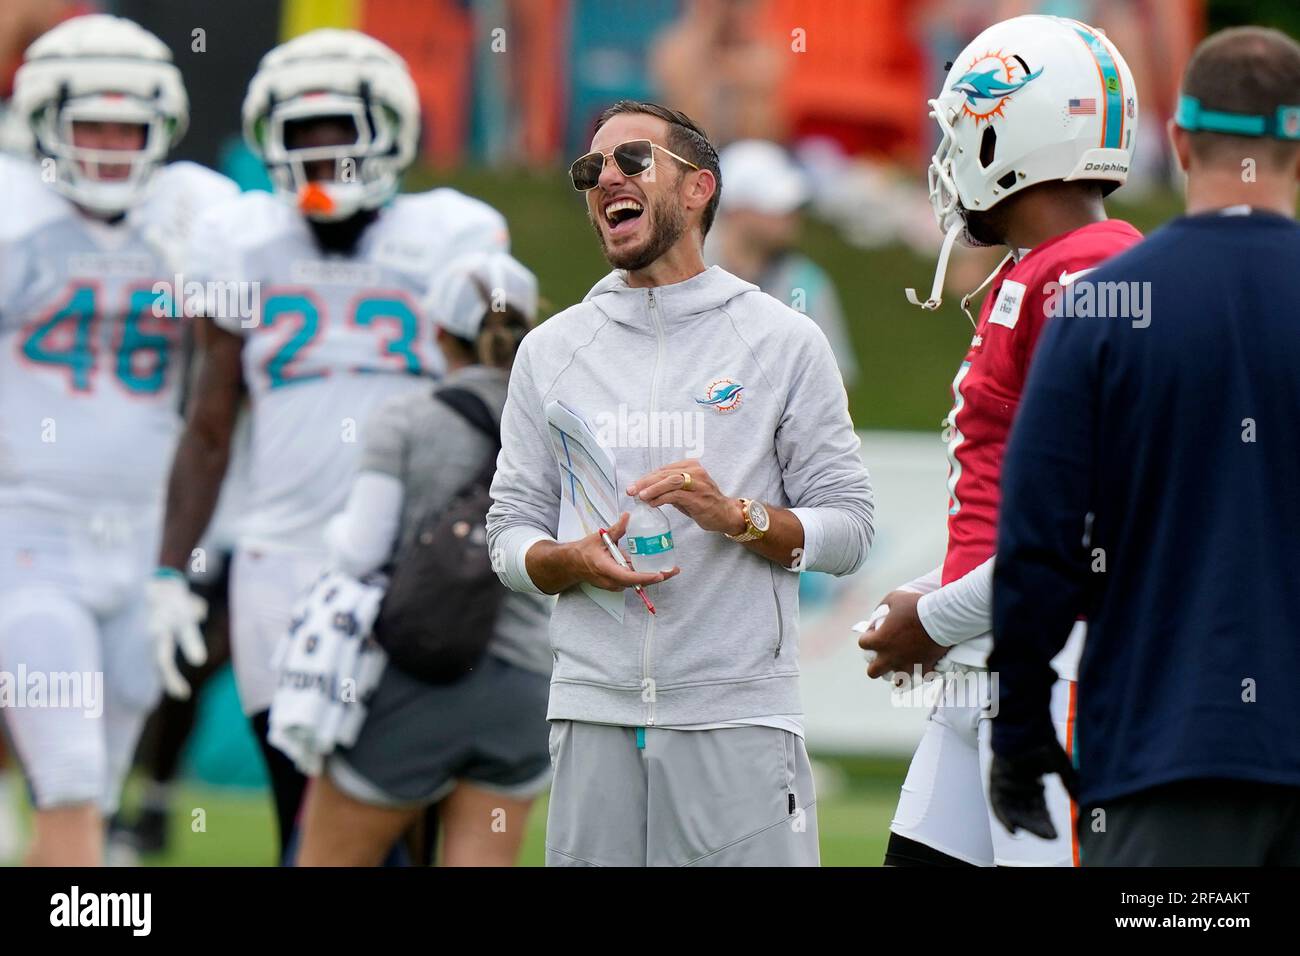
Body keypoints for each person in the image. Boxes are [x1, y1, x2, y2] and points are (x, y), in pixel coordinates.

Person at [149, 28, 509, 865]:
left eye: (337, 129)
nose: (321, 151)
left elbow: (503, 400)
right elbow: (209, 424)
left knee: (408, 819)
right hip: (282, 565)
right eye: (301, 133)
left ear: (387, 128)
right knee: (304, 822)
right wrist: (171, 570)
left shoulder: (451, 234)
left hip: (417, 564)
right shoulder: (243, 241)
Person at [487, 100, 874, 867]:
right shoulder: (550, 351)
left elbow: (851, 530)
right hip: (592, 717)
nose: (605, 181)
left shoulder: (784, 340)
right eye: (590, 170)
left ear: (698, 189)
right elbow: (508, 534)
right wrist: (565, 561)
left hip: (737, 720)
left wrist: (737, 517)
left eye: (632, 161)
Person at [989, 25, 1300, 866]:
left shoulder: (1101, 307)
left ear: (1180, 139)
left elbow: (1037, 541)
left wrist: (1018, 726)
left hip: (1168, 757)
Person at [857, 14, 1143, 867]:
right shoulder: (1042, 265)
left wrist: (937, 618)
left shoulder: (1090, 274)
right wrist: (931, 598)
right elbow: (1011, 504)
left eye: (962, 130)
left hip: (1054, 667)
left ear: (1010, 129)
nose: (948, 157)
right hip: (992, 659)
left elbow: (1091, 523)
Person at [0, 14, 237, 866]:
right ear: (42, 121)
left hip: (145, 543)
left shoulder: (197, 213)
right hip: (28, 536)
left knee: (88, 811)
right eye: (88, 123)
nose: (107, 144)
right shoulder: (12, 207)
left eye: (125, 125)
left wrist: (213, 279)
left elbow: (240, 374)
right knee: (66, 789)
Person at [296, 252, 552, 867]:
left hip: (420, 677)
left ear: (437, 331)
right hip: (527, 689)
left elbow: (360, 555)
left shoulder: (406, 420)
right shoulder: (562, 428)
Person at [707, 139, 859, 388]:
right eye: (776, 204)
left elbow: (830, 388)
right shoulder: (682, 273)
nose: (792, 214)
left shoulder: (807, 283)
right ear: (736, 209)